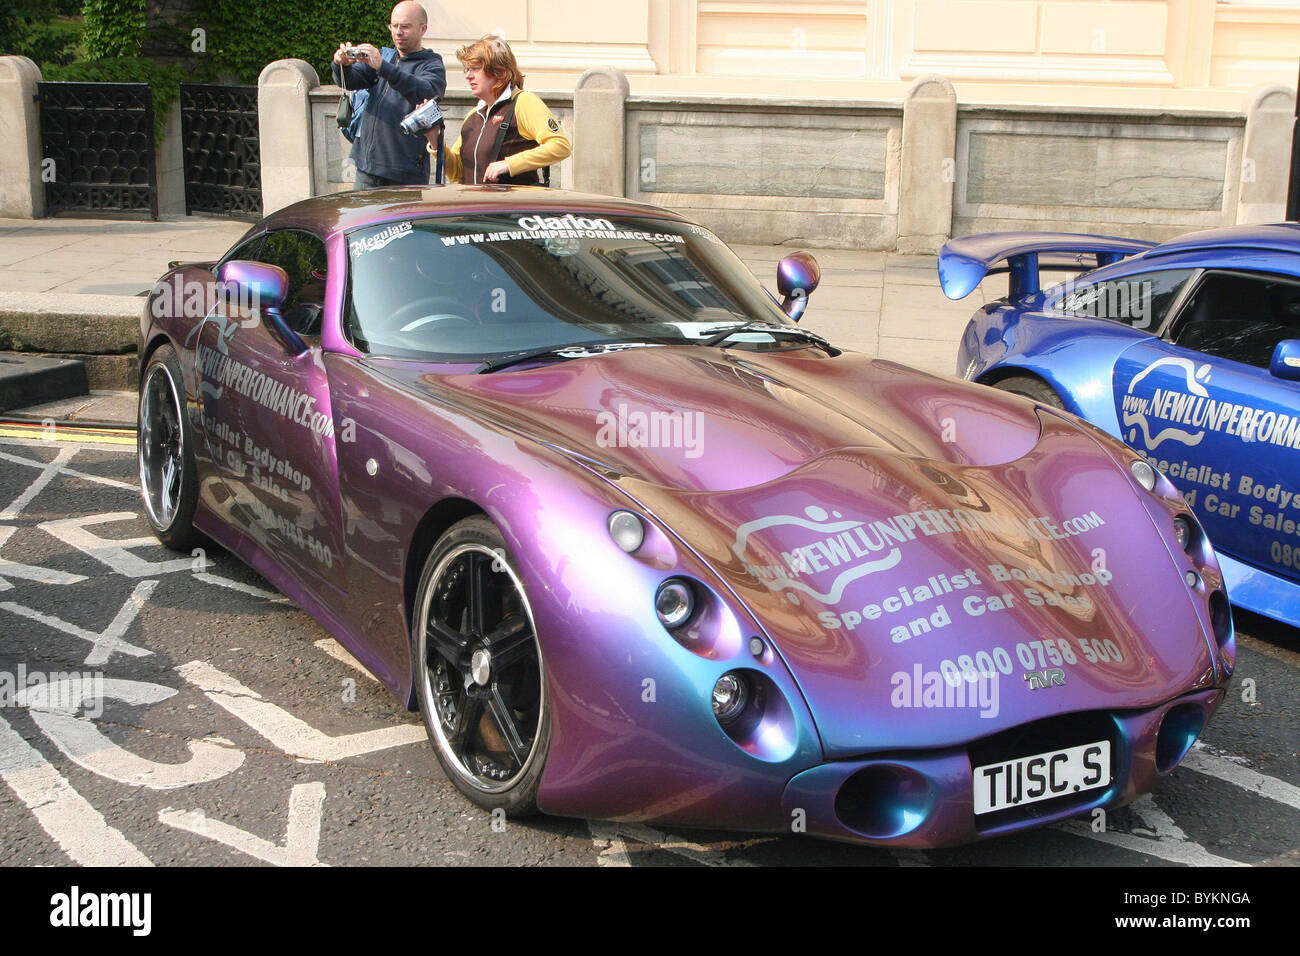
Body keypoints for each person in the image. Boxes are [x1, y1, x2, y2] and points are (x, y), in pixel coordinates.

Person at [423, 35, 570, 186]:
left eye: (475, 68)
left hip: (512, 207)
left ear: (497, 70)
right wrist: (434, 138)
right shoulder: (473, 115)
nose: (468, 75)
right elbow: (457, 172)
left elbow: (560, 146)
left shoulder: (523, 102)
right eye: (467, 69)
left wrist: (509, 164)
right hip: (476, 207)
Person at [334, 1, 446, 188]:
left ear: (423, 29)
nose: (398, 32)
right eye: (394, 26)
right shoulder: (385, 57)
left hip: (405, 174)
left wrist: (384, 68)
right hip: (367, 169)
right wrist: (342, 64)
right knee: (363, 218)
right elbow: (352, 80)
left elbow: (425, 92)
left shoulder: (432, 64)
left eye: (405, 26)